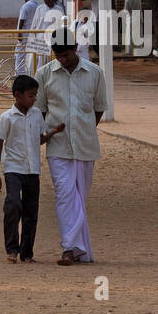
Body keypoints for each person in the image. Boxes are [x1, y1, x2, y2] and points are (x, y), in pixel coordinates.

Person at [35, 30, 108, 265]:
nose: (61, 59)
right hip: (58, 146)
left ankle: (78, 249)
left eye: (65, 54)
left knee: (79, 198)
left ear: (75, 47)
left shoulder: (95, 73)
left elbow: (98, 108)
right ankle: (69, 248)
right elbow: (40, 110)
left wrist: (84, 127)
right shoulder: (44, 74)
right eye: (57, 55)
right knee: (65, 194)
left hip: (85, 145)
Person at [0, 74, 64, 263]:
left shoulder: (36, 115)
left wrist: (53, 132)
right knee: (14, 205)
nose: (34, 99)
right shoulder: (7, 118)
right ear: (17, 95)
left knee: (31, 212)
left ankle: (27, 253)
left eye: (35, 96)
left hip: (33, 170)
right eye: (31, 96)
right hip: (13, 169)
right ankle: (11, 249)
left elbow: (39, 138)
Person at [15, 0, 38, 73]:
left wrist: (19, 33)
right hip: (33, 34)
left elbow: (22, 20)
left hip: (24, 33)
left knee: (19, 54)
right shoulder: (37, 6)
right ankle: (30, 72)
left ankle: (19, 73)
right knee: (31, 54)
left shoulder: (26, 6)